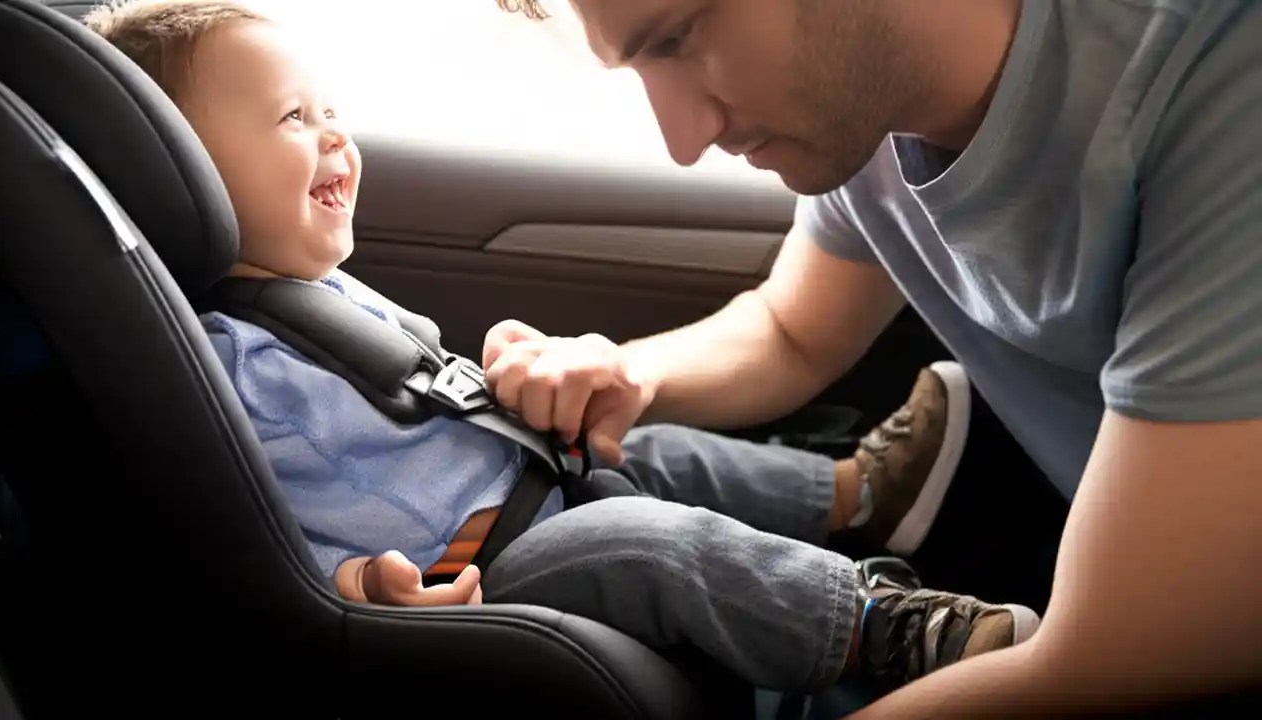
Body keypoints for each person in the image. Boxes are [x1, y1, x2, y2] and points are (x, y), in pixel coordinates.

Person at [84, 0, 1042, 696]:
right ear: (178, 179)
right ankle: (883, 628)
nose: (336, 135)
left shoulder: (312, 289)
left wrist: (493, 376)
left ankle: (857, 494)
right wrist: (353, 589)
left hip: (523, 489)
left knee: (652, 449)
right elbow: (240, 533)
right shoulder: (211, 362)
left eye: (331, 109)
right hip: (483, 568)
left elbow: (407, 402)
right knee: (650, 545)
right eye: (295, 119)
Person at [488, 0, 1262, 716]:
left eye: (681, 34)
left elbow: (1101, 658)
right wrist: (633, 374)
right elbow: (792, 331)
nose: (683, 141)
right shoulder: (870, 117)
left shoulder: (1217, 66)